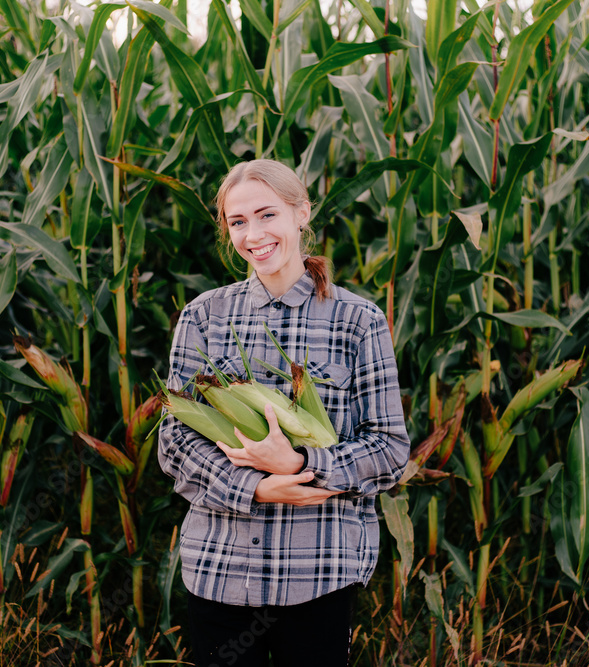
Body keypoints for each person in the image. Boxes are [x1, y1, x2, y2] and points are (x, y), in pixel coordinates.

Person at [157, 159, 410, 667]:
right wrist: (255, 487)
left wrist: (299, 467)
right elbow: (174, 443)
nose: (254, 234)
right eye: (238, 222)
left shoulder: (358, 321)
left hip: (317, 574)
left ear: (301, 214)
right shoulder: (203, 316)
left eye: (267, 214)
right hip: (221, 571)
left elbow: (389, 449)